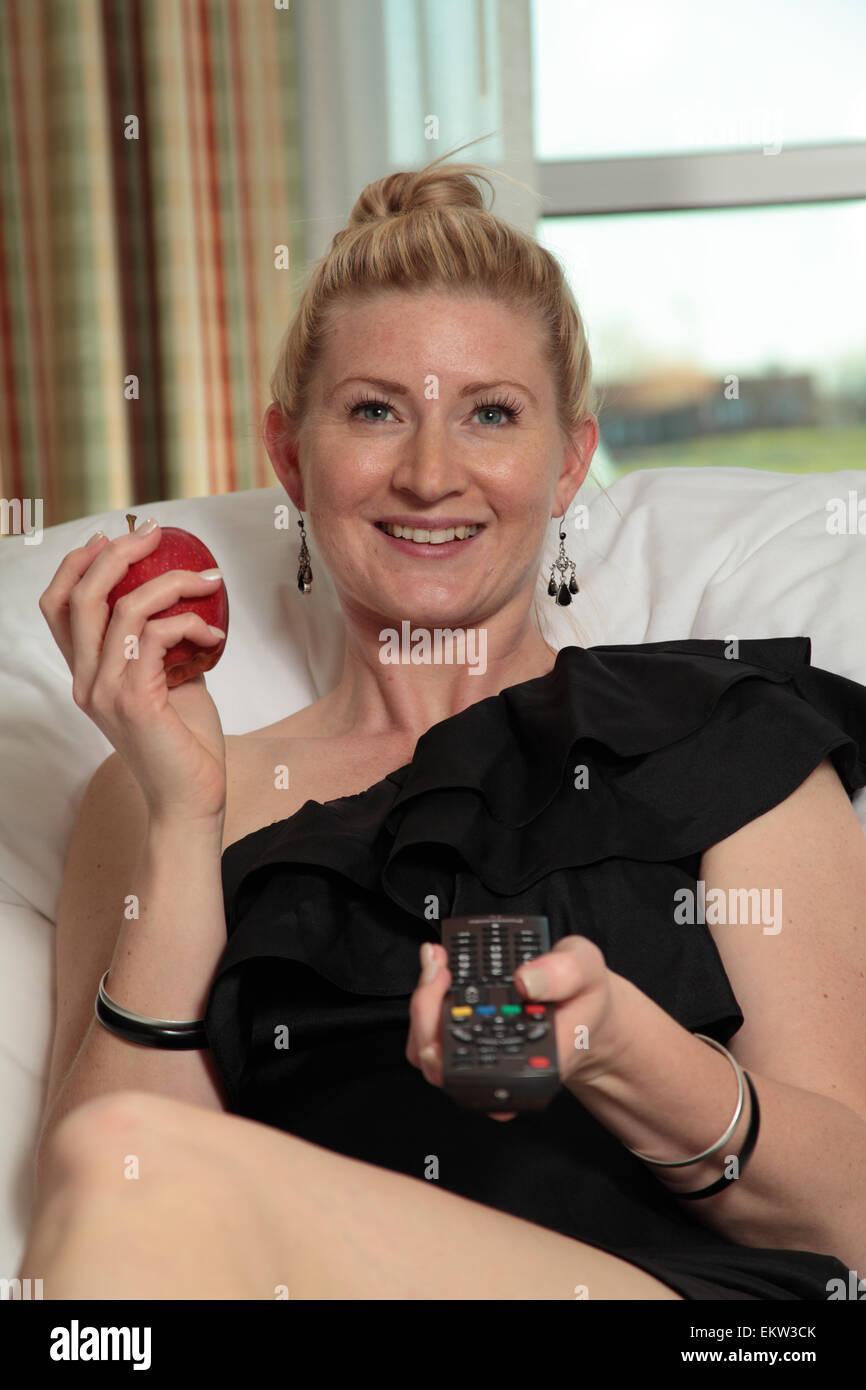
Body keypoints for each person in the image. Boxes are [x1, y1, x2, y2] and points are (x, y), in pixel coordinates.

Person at [24, 146, 866, 1301]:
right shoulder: (162, 790)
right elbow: (97, 1183)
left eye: (489, 415)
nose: (429, 473)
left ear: (568, 461)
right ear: (288, 454)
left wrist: (623, 1049)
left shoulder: (719, 734)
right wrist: (183, 817)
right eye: (374, 410)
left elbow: (853, 1215)